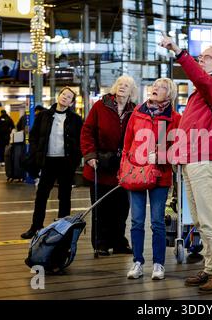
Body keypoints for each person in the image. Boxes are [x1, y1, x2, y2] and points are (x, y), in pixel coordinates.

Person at [159, 36, 212, 293]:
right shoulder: (202, 90)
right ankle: (211, 268)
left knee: (209, 219)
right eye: (199, 57)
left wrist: (178, 51)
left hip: (204, 159)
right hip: (192, 159)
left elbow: (199, 77)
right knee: (200, 220)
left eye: (205, 57)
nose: (201, 60)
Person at [123, 77, 181, 280]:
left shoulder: (175, 118)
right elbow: (127, 143)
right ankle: (137, 262)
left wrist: (160, 155)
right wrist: (125, 167)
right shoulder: (137, 113)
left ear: (170, 93)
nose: (156, 88)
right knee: (136, 221)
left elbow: (178, 149)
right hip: (136, 174)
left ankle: (159, 264)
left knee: (157, 222)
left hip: (161, 175)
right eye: (154, 85)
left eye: (162, 87)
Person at [80, 75, 137, 256]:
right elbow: (87, 131)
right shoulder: (100, 106)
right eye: (120, 84)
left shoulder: (134, 110)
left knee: (121, 207)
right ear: (114, 87)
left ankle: (119, 242)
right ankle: (100, 244)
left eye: (126, 85)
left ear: (131, 91)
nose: (122, 87)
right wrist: (90, 155)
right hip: (100, 165)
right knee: (101, 208)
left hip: (122, 167)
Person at [21, 87, 83, 239]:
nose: (65, 98)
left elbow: (81, 140)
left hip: (66, 162)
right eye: (63, 94)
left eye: (69, 97)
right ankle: (35, 226)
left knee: (65, 196)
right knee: (41, 195)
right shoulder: (44, 115)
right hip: (48, 161)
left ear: (71, 102)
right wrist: (36, 154)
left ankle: (62, 228)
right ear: (58, 96)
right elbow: (34, 137)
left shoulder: (75, 119)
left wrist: (75, 158)